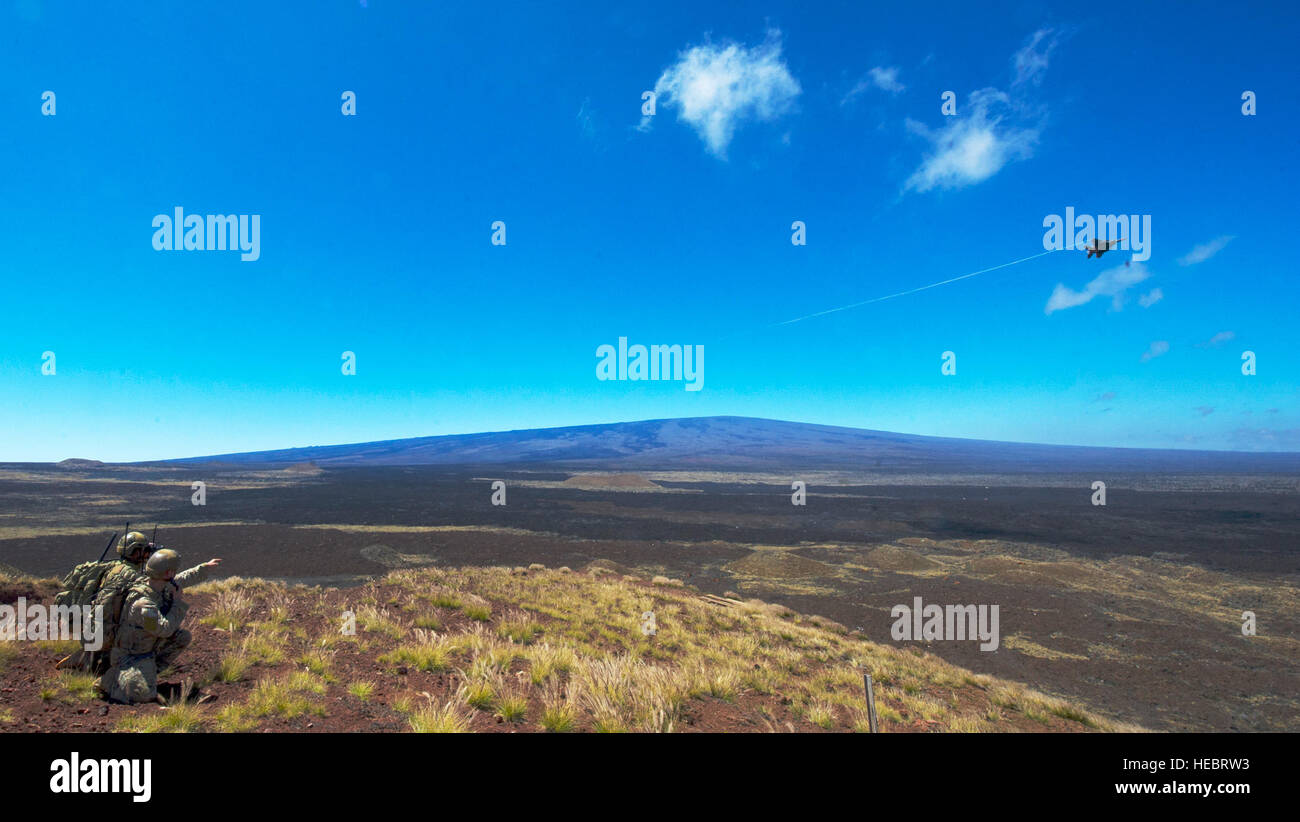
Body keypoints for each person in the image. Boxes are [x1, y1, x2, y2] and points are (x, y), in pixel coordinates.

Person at [98, 548, 219, 705]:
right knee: (144, 696)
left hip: (147, 650)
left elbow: (182, 579)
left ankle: (148, 672)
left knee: (182, 637)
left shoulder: (157, 584)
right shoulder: (143, 605)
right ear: (168, 573)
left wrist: (204, 568)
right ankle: (112, 680)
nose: (175, 574)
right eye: (173, 571)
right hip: (130, 657)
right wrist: (177, 603)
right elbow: (165, 630)